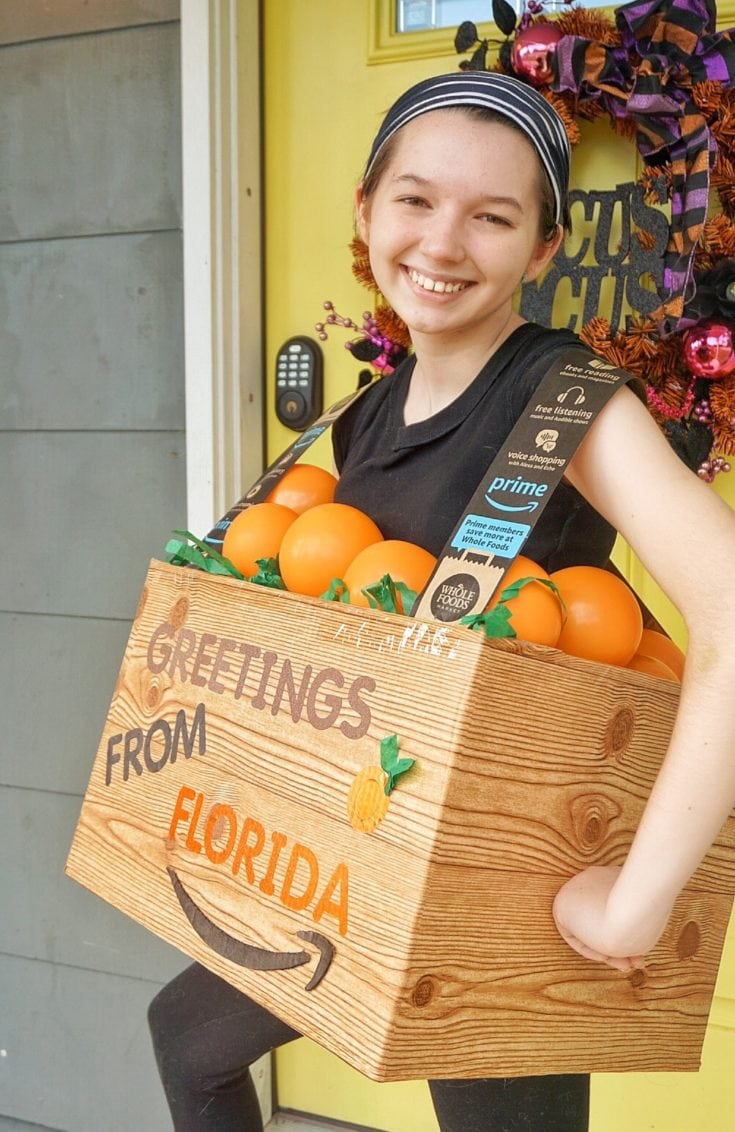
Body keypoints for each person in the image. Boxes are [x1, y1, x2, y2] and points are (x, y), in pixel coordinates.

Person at [148, 71, 735, 1132]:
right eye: (415, 200)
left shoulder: (562, 401)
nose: (444, 242)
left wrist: (633, 904)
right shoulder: (363, 417)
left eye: (494, 216)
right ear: (367, 209)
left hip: (495, 892)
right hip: (366, 858)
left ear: (544, 247)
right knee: (190, 1042)